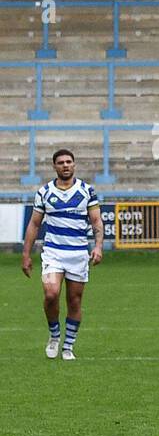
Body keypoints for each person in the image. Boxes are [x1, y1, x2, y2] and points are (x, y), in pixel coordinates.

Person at [21, 149, 104, 360]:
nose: (65, 165)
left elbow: (96, 221)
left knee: (74, 301)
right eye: (61, 162)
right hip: (53, 253)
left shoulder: (87, 191)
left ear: (74, 165)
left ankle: (68, 346)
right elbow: (34, 223)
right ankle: (54, 335)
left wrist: (98, 246)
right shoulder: (45, 192)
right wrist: (26, 255)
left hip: (77, 254)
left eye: (69, 162)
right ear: (54, 166)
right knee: (50, 294)